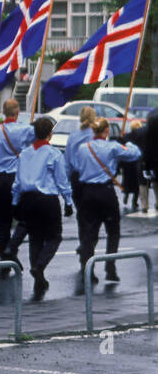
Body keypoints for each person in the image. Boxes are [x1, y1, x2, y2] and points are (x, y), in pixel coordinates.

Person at [11, 117, 73, 298]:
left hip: (27, 199)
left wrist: (15, 201)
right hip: (47, 200)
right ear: (49, 134)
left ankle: (39, 276)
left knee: (35, 237)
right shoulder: (54, 154)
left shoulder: (24, 153)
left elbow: (18, 182)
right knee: (55, 236)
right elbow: (62, 181)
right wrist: (68, 202)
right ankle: (40, 266)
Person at [76, 116, 141, 285]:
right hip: (106, 191)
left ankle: (86, 267)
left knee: (89, 232)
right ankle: (110, 267)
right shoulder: (112, 147)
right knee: (113, 231)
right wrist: (127, 143)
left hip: (88, 191)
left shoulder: (83, 148)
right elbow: (134, 154)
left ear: (93, 131)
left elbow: (77, 167)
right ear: (106, 131)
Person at [0, 99, 35, 272]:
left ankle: (4, 260)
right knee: (25, 218)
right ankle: (12, 247)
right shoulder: (24, 129)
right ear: (17, 113)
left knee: (2, 222)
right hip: (16, 178)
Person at [64, 105, 97, 207]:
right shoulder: (95, 135)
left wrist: (66, 186)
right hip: (92, 177)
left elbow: (67, 162)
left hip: (76, 177)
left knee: (81, 211)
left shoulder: (73, 136)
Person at [121, 119, 144, 212]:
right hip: (137, 162)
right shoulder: (141, 137)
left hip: (127, 163)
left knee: (127, 181)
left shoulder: (126, 136)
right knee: (137, 184)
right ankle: (135, 201)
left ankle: (126, 195)